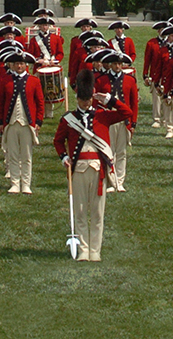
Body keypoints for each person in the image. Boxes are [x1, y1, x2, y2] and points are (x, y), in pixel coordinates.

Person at [53, 68, 134, 262]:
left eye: (88, 99)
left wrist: (109, 100)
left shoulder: (102, 116)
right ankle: (84, 250)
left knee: (97, 212)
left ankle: (95, 250)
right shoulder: (68, 119)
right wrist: (64, 157)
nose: (86, 103)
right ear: (77, 98)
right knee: (80, 211)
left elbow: (127, 112)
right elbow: (58, 141)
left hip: (98, 170)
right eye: (83, 99)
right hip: (78, 169)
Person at [0, 47, 45, 194]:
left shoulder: (34, 81)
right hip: (10, 123)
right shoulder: (5, 80)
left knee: (26, 156)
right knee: (13, 154)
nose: (19, 66)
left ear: (26, 65)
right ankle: (15, 183)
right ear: (12, 65)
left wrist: (38, 122)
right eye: (16, 63)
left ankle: (26, 183)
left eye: (22, 63)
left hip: (27, 124)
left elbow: (40, 102)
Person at [95, 50, 139, 191]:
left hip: (124, 120)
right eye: (115, 64)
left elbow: (134, 103)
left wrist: (133, 122)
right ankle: (110, 181)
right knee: (109, 151)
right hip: (108, 120)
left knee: (121, 152)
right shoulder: (102, 80)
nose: (118, 67)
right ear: (110, 65)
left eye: (120, 64)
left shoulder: (130, 80)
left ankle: (120, 181)